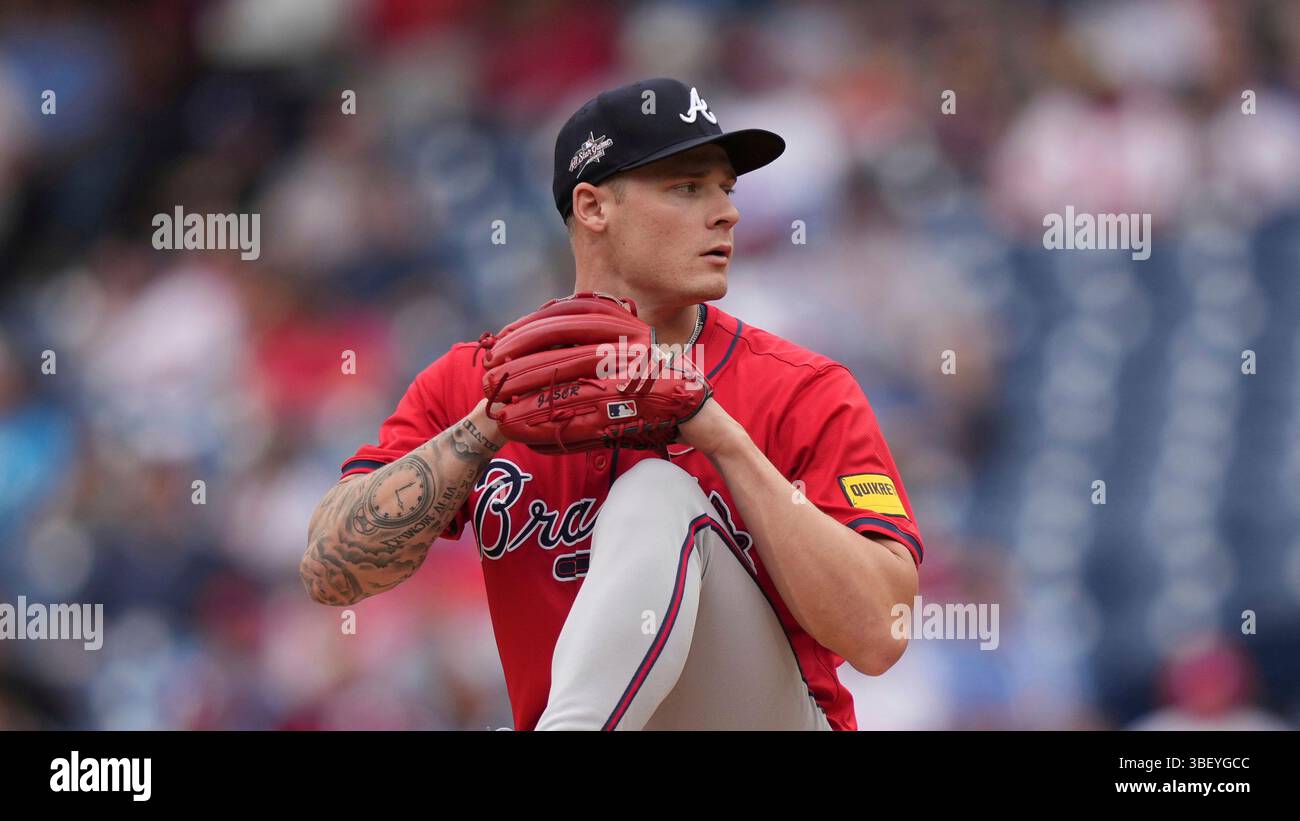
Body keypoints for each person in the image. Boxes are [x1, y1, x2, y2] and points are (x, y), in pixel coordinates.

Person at [301, 78, 924, 730]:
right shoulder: (478, 382)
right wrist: (487, 422)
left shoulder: (799, 387)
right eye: (688, 187)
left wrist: (722, 438)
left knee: (658, 492)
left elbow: (880, 634)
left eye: (726, 188)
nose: (726, 212)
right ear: (594, 207)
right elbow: (330, 570)